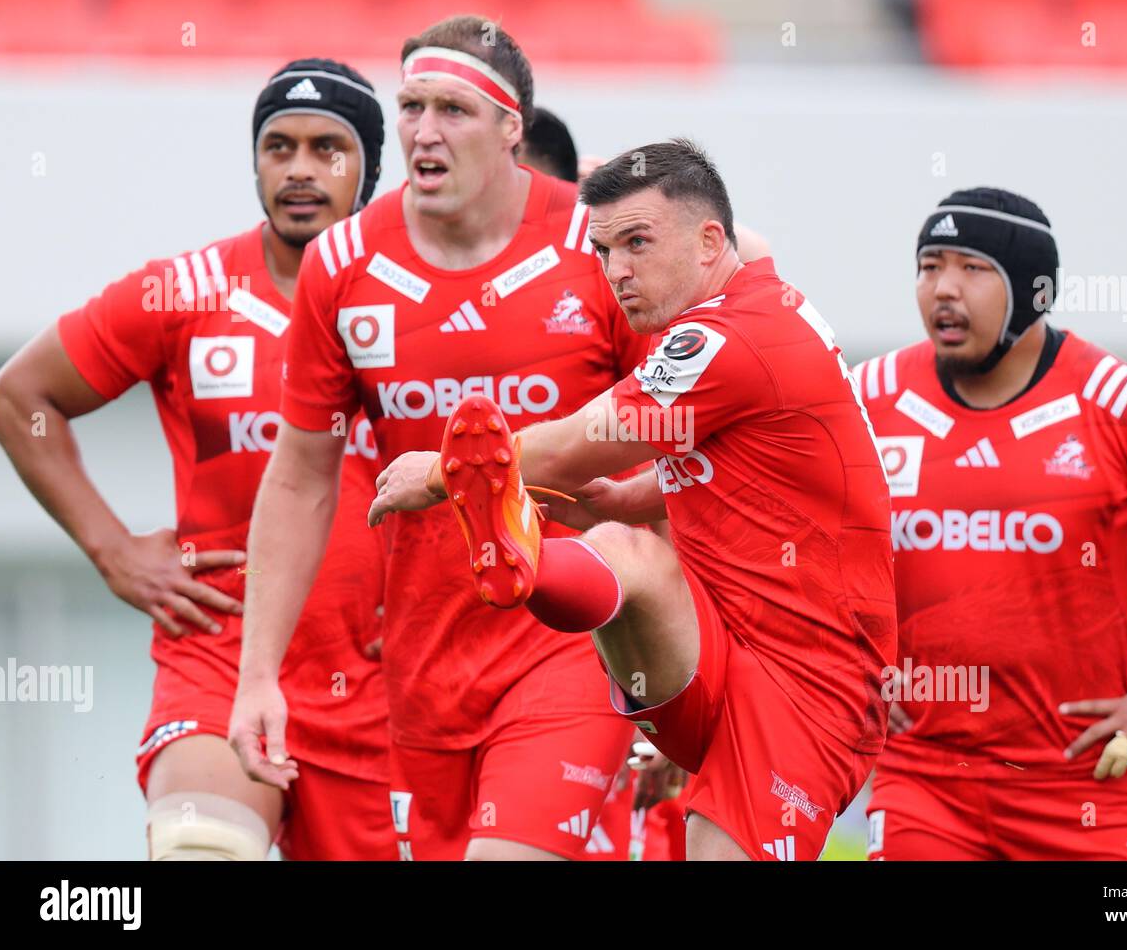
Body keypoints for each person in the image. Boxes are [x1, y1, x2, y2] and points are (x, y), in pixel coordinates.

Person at [368, 139, 898, 861]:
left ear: (711, 241)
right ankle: (525, 548)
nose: (617, 271)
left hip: (808, 684)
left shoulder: (731, 340)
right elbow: (740, 468)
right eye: (604, 250)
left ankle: (519, 534)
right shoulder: (756, 297)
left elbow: (583, 439)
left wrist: (441, 473)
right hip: (718, 645)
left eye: (638, 244)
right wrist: (627, 496)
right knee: (623, 546)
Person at [230, 15, 652, 861]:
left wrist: (690, 661)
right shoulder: (343, 263)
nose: (423, 131)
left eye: (453, 110)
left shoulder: (600, 241)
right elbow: (300, 479)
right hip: (425, 669)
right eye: (411, 106)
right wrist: (256, 676)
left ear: (511, 131)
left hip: (579, 642)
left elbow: (685, 441)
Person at [0, 59, 395, 860]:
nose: (301, 169)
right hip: (222, 658)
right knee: (201, 847)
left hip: (386, 685)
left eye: (327, 148)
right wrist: (113, 551)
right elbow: (19, 397)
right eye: (278, 147)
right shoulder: (187, 292)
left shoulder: (417, 300)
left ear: (370, 168)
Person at [852, 187, 1127, 859]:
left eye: (973, 268)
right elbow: (790, 537)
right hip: (926, 780)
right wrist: (848, 665)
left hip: (1091, 781)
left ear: (1034, 292)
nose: (944, 289)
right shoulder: (867, 397)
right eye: (930, 265)